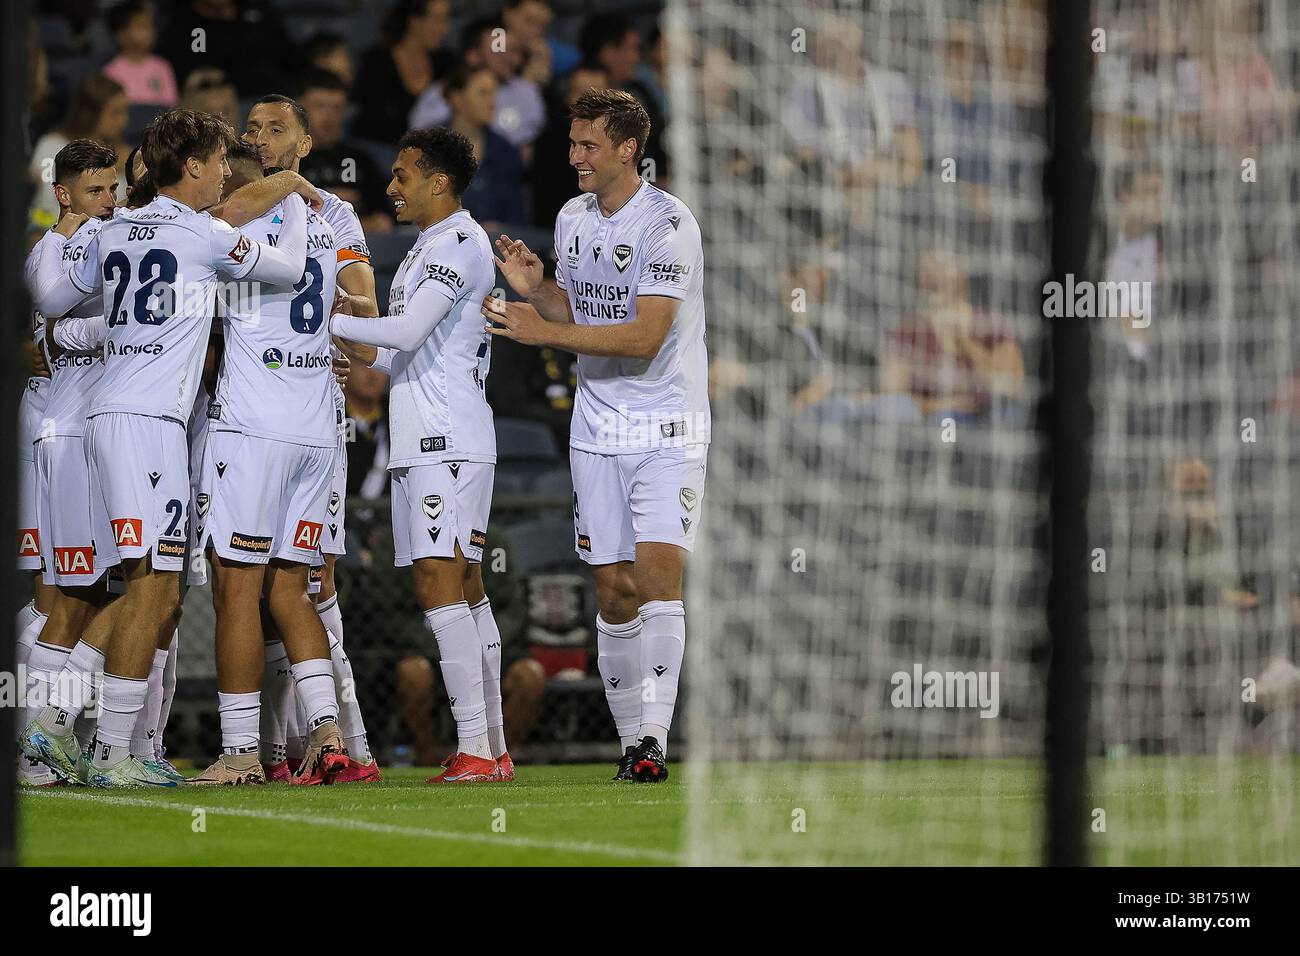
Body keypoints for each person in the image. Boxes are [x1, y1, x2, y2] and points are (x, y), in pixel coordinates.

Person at [20, 108, 320, 788]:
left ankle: (59, 727)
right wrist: (294, 191)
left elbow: (50, 292)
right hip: (149, 424)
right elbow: (292, 267)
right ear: (191, 166)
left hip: (106, 414)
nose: (224, 171)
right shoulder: (203, 233)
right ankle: (105, 753)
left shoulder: (113, 227)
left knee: (139, 585)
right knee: (154, 584)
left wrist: (66, 234)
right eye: (218, 160)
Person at [485, 88, 710, 783]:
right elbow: (582, 313)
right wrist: (538, 290)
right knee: (612, 590)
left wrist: (542, 330)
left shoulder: (669, 224)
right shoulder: (572, 218)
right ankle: (628, 746)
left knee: (656, 579)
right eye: (573, 141)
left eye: (588, 144)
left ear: (627, 150)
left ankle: (654, 739)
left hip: (667, 424)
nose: (574, 154)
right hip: (596, 426)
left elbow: (643, 337)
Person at [330, 128, 509, 783]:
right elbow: (399, 352)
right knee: (465, 589)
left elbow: (403, 331)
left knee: (440, 585)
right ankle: (493, 744)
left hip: (445, 440)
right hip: (435, 438)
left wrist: (326, 320)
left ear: (439, 180)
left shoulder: (458, 243)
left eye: (404, 175)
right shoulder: (427, 249)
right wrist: (343, 345)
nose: (391, 187)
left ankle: (476, 751)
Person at [188, 141, 356, 785]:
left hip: (254, 429)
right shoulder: (322, 222)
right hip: (314, 430)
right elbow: (356, 302)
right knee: (292, 588)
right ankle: (327, 733)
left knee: (238, 589)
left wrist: (277, 183)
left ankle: (238, 752)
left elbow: (218, 218)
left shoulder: (243, 227)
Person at [242, 93, 382, 782]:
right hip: (243, 416)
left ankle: (349, 743)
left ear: (303, 141)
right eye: (253, 128)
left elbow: (366, 309)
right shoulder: (235, 207)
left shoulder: (337, 213)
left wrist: (349, 314)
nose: (261, 138)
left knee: (309, 583)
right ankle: (278, 750)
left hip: (315, 415)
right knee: (259, 585)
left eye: (276, 129)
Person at [409, 16, 546, 162]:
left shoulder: (528, 92)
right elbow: (418, 145)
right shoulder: (444, 93)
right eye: (498, 51)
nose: (510, 59)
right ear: (472, 56)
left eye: (512, 51)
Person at [297, 69, 395, 233]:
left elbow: (384, 219)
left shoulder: (361, 159)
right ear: (299, 109)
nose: (328, 116)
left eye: (336, 108)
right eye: (319, 106)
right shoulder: (288, 158)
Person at [28, 74, 129, 231]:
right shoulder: (51, 147)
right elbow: (48, 202)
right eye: (116, 113)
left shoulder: (125, 158)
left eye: (125, 111)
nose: (124, 120)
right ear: (89, 113)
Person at [353, 0, 454, 144]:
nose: (446, 29)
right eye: (438, 20)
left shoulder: (446, 62)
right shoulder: (377, 61)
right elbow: (373, 118)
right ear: (414, 21)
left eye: (446, 20)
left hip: (430, 151)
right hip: (382, 148)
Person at [446, 66, 527, 233]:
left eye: (493, 93)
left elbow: (516, 217)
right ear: (457, 98)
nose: (492, 102)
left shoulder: (506, 151)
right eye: (483, 93)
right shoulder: (430, 148)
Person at [101, 0, 179, 107]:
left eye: (150, 26)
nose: (150, 32)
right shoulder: (111, 72)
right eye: (141, 26)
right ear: (121, 34)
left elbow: (171, 105)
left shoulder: (163, 67)